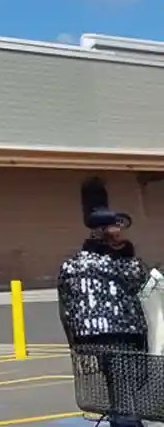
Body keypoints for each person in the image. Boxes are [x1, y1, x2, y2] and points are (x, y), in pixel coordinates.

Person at [59, 177, 149, 427]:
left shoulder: (73, 264)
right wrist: (128, 254)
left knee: (114, 386)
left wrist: (74, 341)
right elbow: (141, 281)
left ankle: (122, 420)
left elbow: (65, 305)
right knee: (125, 390)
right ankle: (127, 423)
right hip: (121, 333)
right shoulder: (122, 263)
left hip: (90, 336)